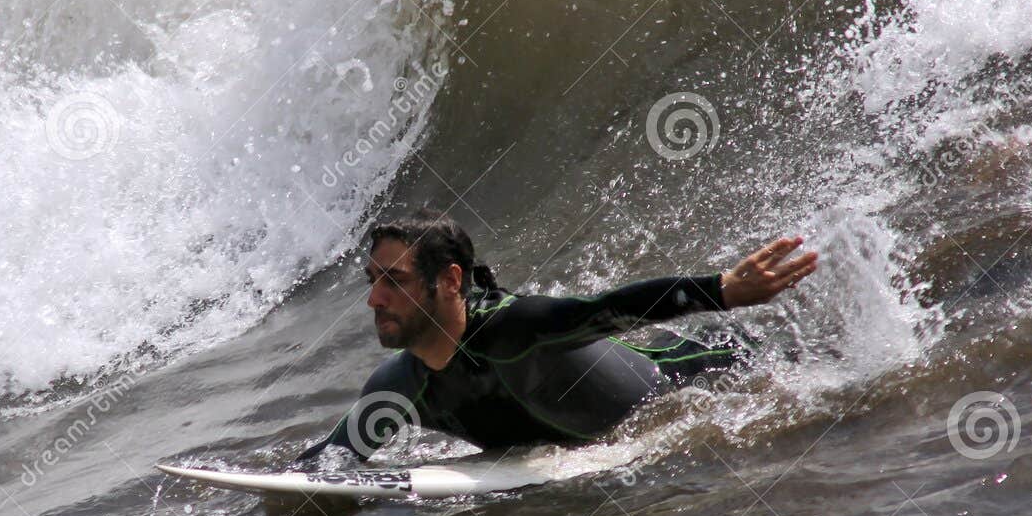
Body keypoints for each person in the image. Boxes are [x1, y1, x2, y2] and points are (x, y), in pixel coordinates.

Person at [298, 208, 819, 461]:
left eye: (395, 281)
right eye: (372, 282)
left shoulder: (514, 329)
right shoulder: (397, 386)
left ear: (450, 280)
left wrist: (721, 290)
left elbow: (610, 308)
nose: (374, 300)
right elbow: (330, 460)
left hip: (713, 370)